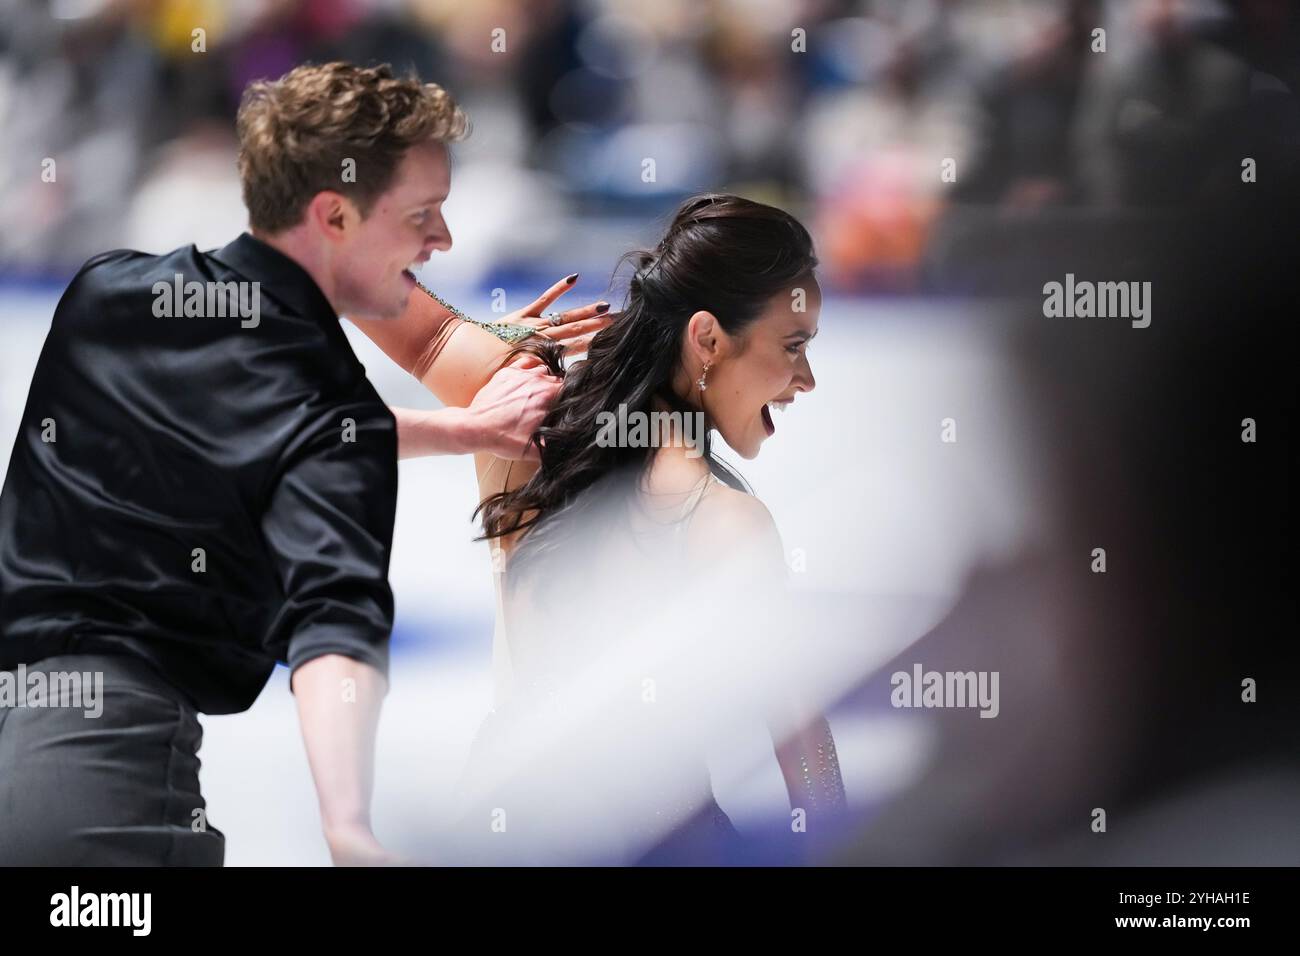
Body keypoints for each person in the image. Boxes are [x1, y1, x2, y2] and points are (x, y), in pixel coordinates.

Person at [0, 61, 601, 866]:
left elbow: (251, 421)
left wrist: (459, 425)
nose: (445, 240)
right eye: (423, 214)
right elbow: (334, 632)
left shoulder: (108, 293)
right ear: (334, 213)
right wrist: (348, 823)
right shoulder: (325, 429)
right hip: (91, 786)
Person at [357, 195, 849, 864]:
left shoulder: (515, 400)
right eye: (793, 346)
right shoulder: (723, 523)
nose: (807, 379)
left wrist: (483, 339)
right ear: (706, 338)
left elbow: (347, 269)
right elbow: (807, 760)